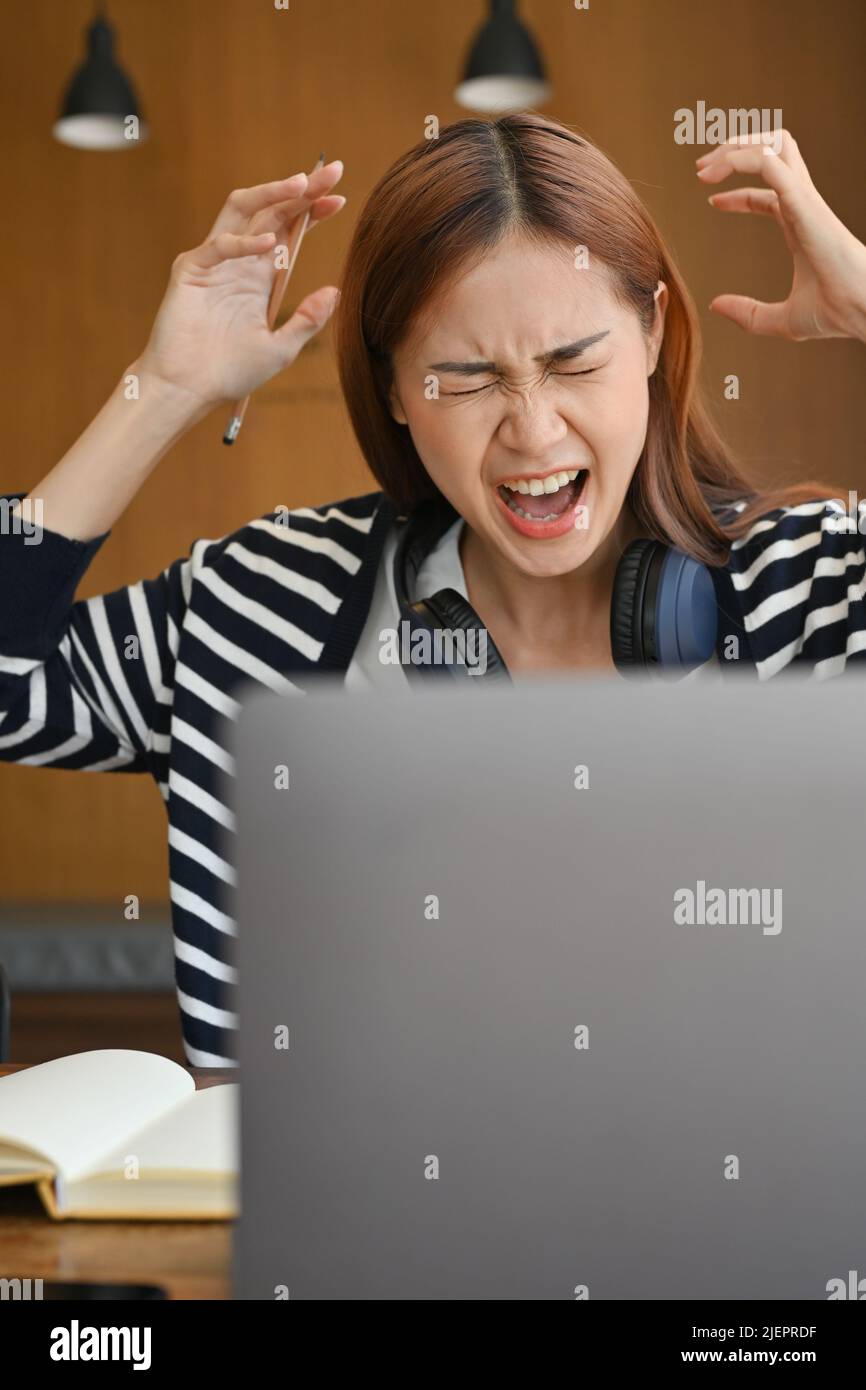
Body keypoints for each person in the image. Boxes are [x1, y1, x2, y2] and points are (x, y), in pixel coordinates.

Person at [2, 114, 864, 1065]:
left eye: (575, 362)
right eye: (467, 380)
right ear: (398, 392)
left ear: (655, 333)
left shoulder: (813, 595)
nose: (534, 434)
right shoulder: (259, 615)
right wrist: (161, 390)